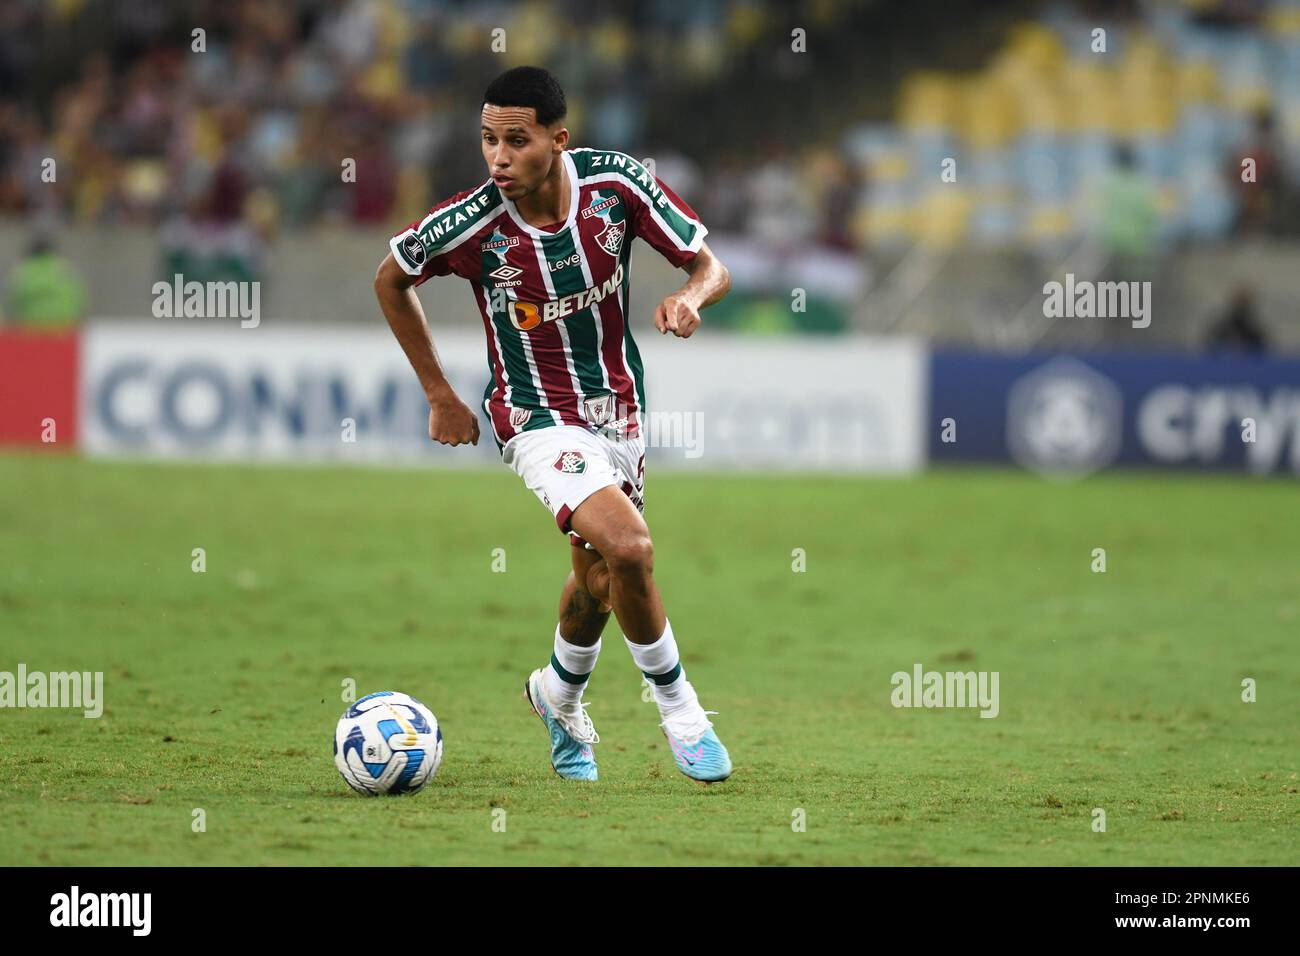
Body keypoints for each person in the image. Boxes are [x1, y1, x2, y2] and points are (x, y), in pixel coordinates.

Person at [373, 67, 733, 782]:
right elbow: (391, 278)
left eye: (516, 140)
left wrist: (692, 299)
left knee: (598, 580)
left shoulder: (616, 186)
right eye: (487, 140)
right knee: (630, 549)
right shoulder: (470, 225)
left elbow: (710, 264)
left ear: (558, 140)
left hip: (617, 410)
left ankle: (557, 696)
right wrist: (441, 394)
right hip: (535, 417)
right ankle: (682, 710)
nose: (498, 157)